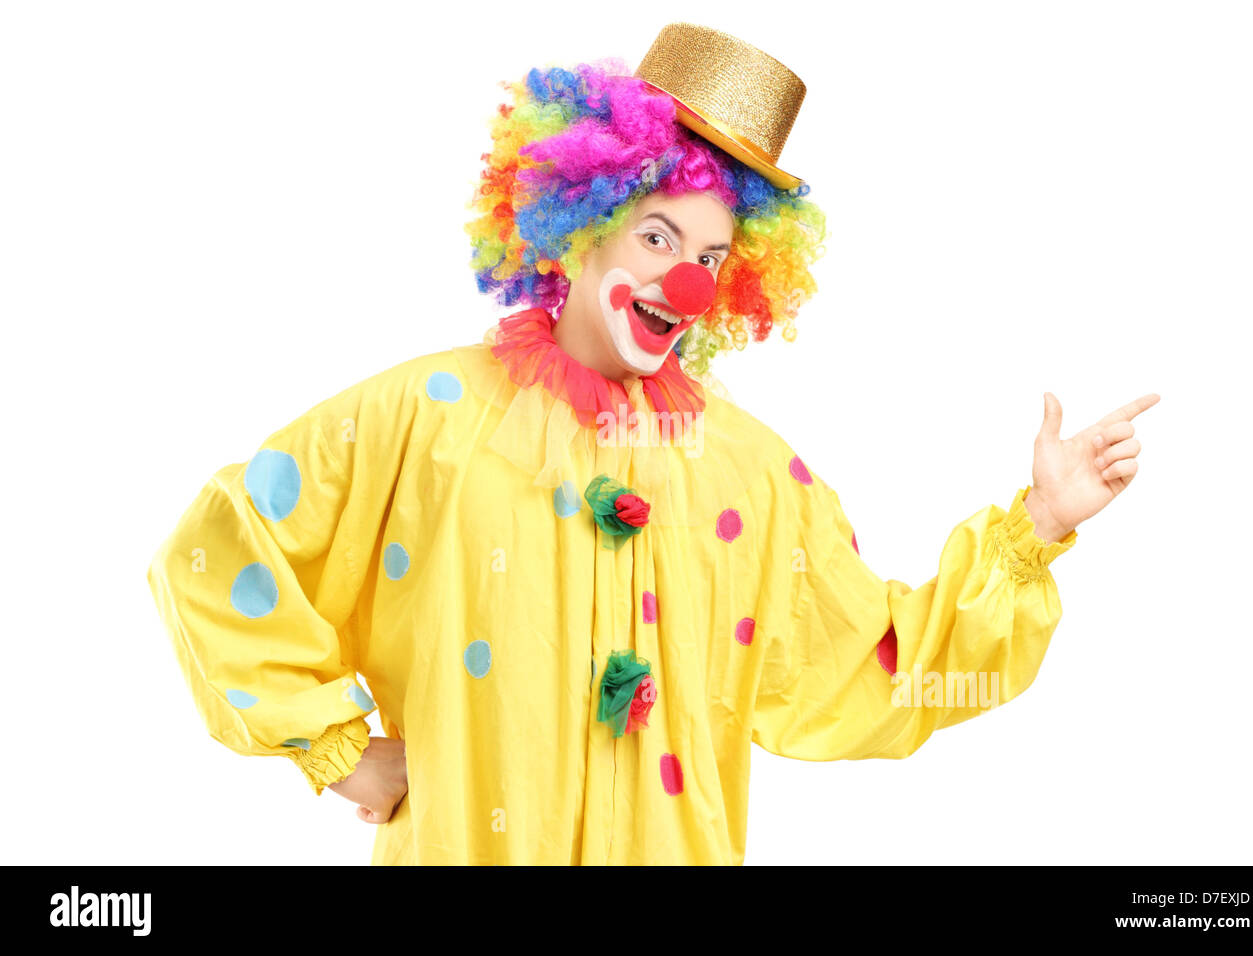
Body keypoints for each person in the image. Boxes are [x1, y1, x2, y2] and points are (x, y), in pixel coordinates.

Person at [146, 23, 1157, 865]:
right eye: (658, 238)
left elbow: (875, 669)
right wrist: (339, 749)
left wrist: (1034, 528)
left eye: (712, 256)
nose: (686, 284)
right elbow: (215, 548)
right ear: (578, 223)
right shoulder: (430, 416)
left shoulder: (750, 473)